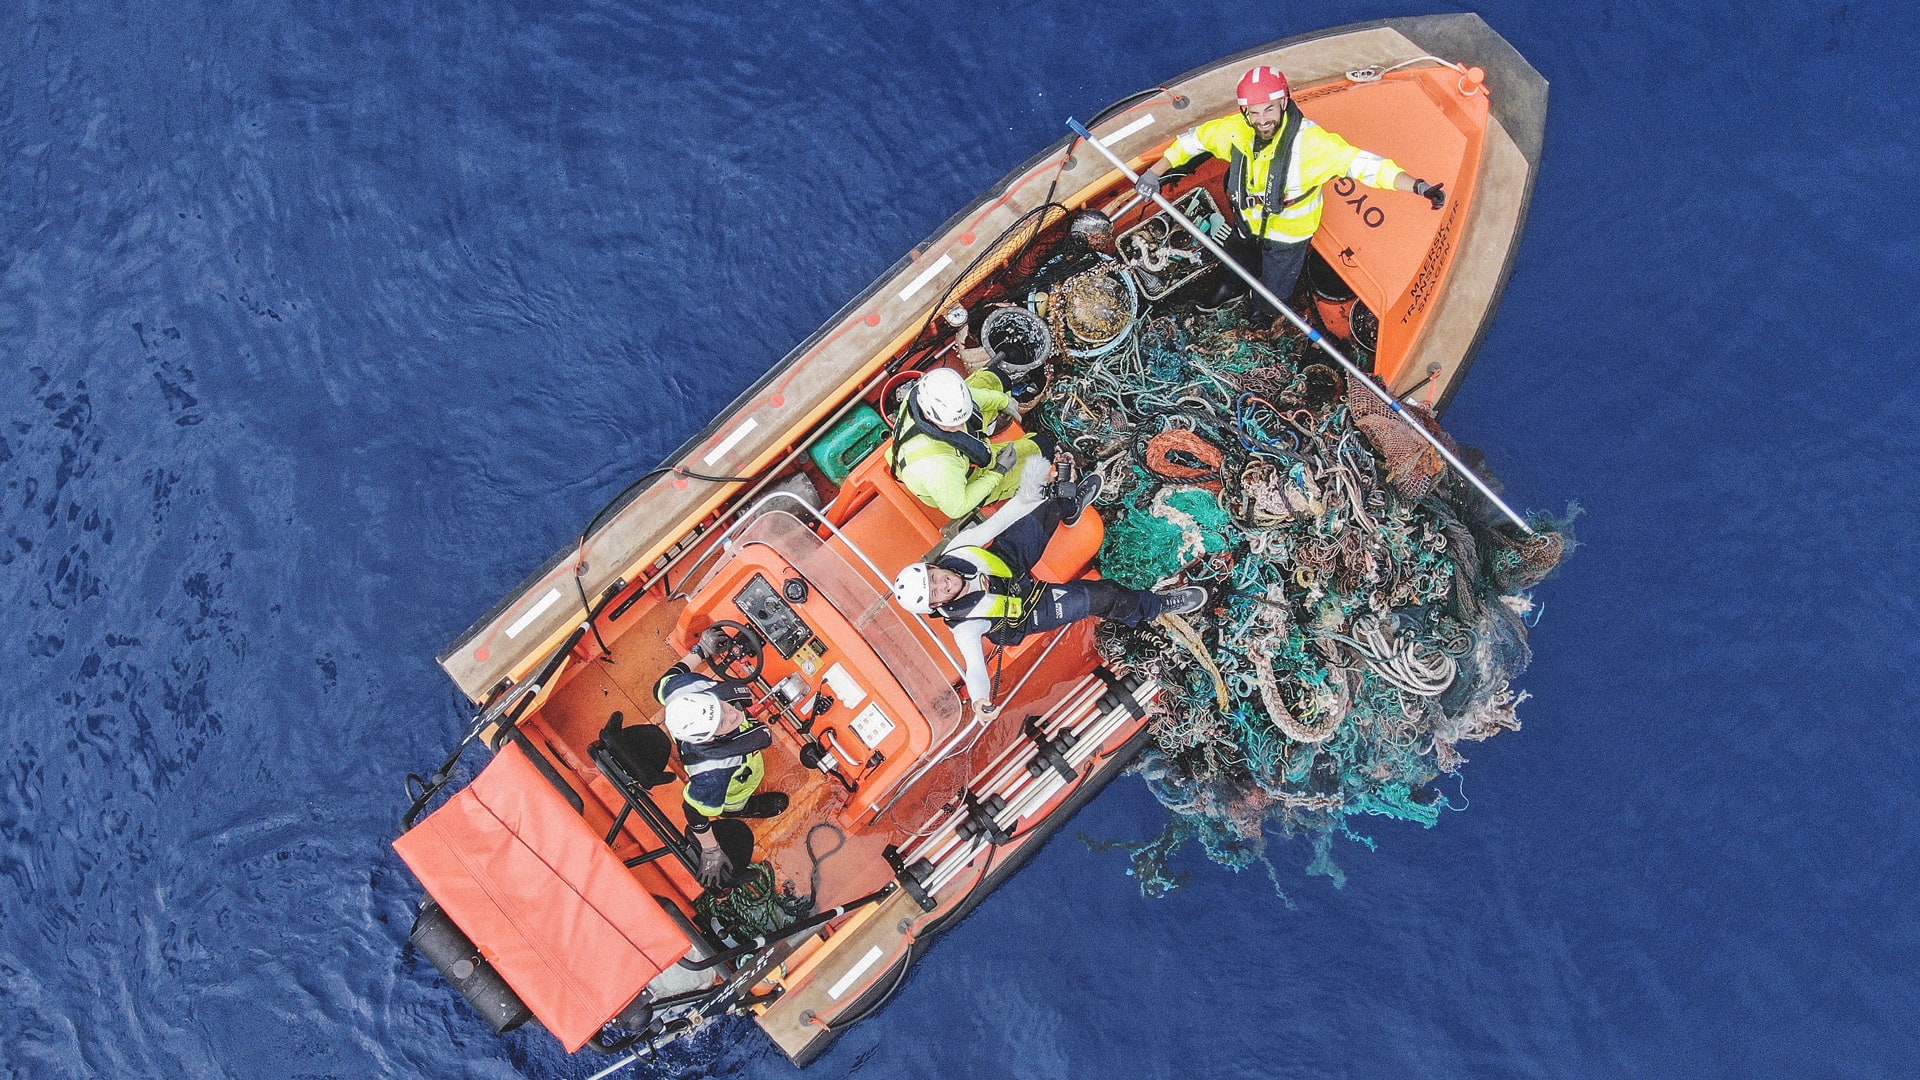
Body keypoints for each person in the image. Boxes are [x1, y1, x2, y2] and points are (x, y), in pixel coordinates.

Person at [1133, 65, 1448, 330]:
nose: (1262, 120)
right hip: (1247, 220)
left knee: (1277, 281)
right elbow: (1192, 142)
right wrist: (1154, 173)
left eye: (1269, 109)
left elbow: (1367, 166)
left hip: (1289, 233)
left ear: (1284, 102)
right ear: (1244, 112)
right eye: (1254, 113)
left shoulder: (1312, 145)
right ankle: (1231, 285)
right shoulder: (1235, 130)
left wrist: (1418, 186)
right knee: (1235, 254)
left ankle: (1264, 311)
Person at [889, 463, 1208, 721]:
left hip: (1006, 564)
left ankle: (1068, 504)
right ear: (938, 606)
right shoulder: (965, 626)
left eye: (936, 578)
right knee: (1101, 597)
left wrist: (1042, 491)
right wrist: (980, 701)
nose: (944, 584)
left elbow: (1001, 520)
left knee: (1042, 511)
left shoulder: (958, 551)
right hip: (1027, 609)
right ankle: (1157, 605)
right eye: (938, 594)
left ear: (933, 568)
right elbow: (974, 668)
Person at [655, 662, 790, 887]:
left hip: (741, 755)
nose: (733, 715)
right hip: (735, 784)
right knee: (733, 804)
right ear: (707, 739)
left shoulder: (680, 690)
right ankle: (742, 809)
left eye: (722, 707)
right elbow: (694, 811)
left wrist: (699, 650)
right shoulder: (713, 774)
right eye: (721, 723)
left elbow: (664, 683)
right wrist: (711, 850)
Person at [889, 366, 1052, 520]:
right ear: (930, 416)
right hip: (955, 479)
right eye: (952, 424)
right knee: (1043, 449)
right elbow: (957, 508)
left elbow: (972, 396)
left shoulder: (920, 395)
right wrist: (997, 472)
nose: (962, 428)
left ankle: (991, 425)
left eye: (963, 419)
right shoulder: (939, 469)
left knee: (997, 378)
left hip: (948, 456)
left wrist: (1003, 401)